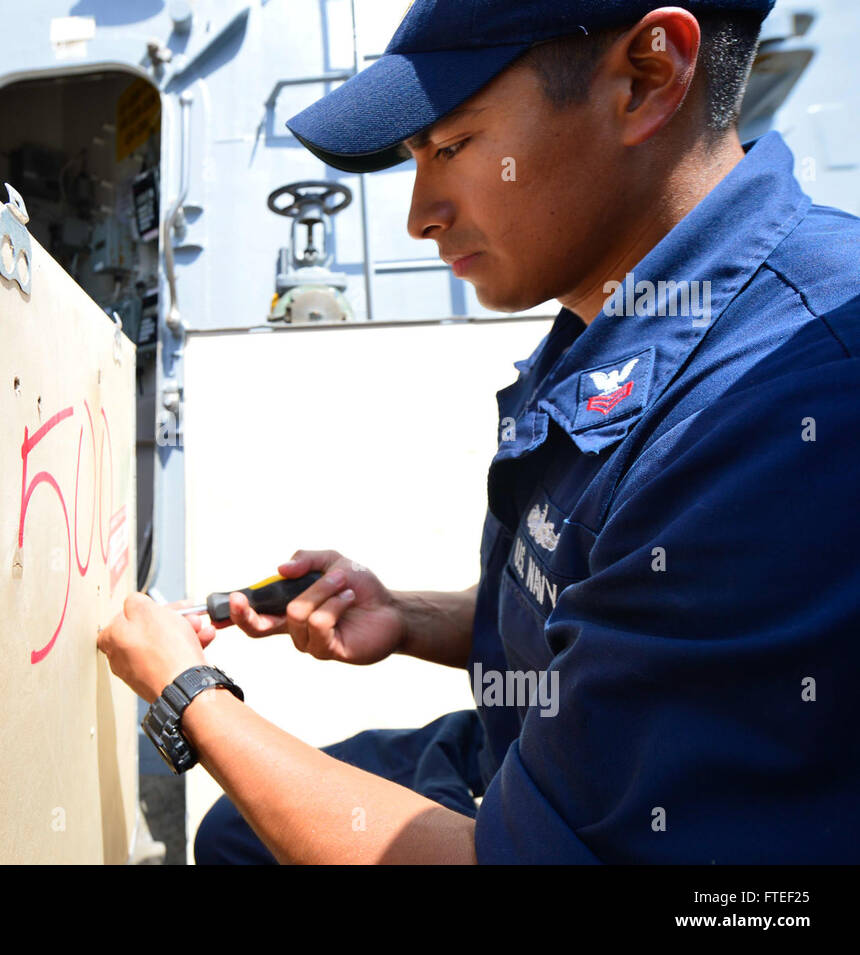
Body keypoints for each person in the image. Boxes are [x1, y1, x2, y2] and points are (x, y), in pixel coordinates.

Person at [98, 0, 860, 863]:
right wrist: (409, 615)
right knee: (239, 838)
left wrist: (186, 692)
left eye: (453, 147)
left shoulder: (786, 405)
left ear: (649, 78)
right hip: (522, 749)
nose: (420, 214)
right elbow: (609, 601)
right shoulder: (620, 313)